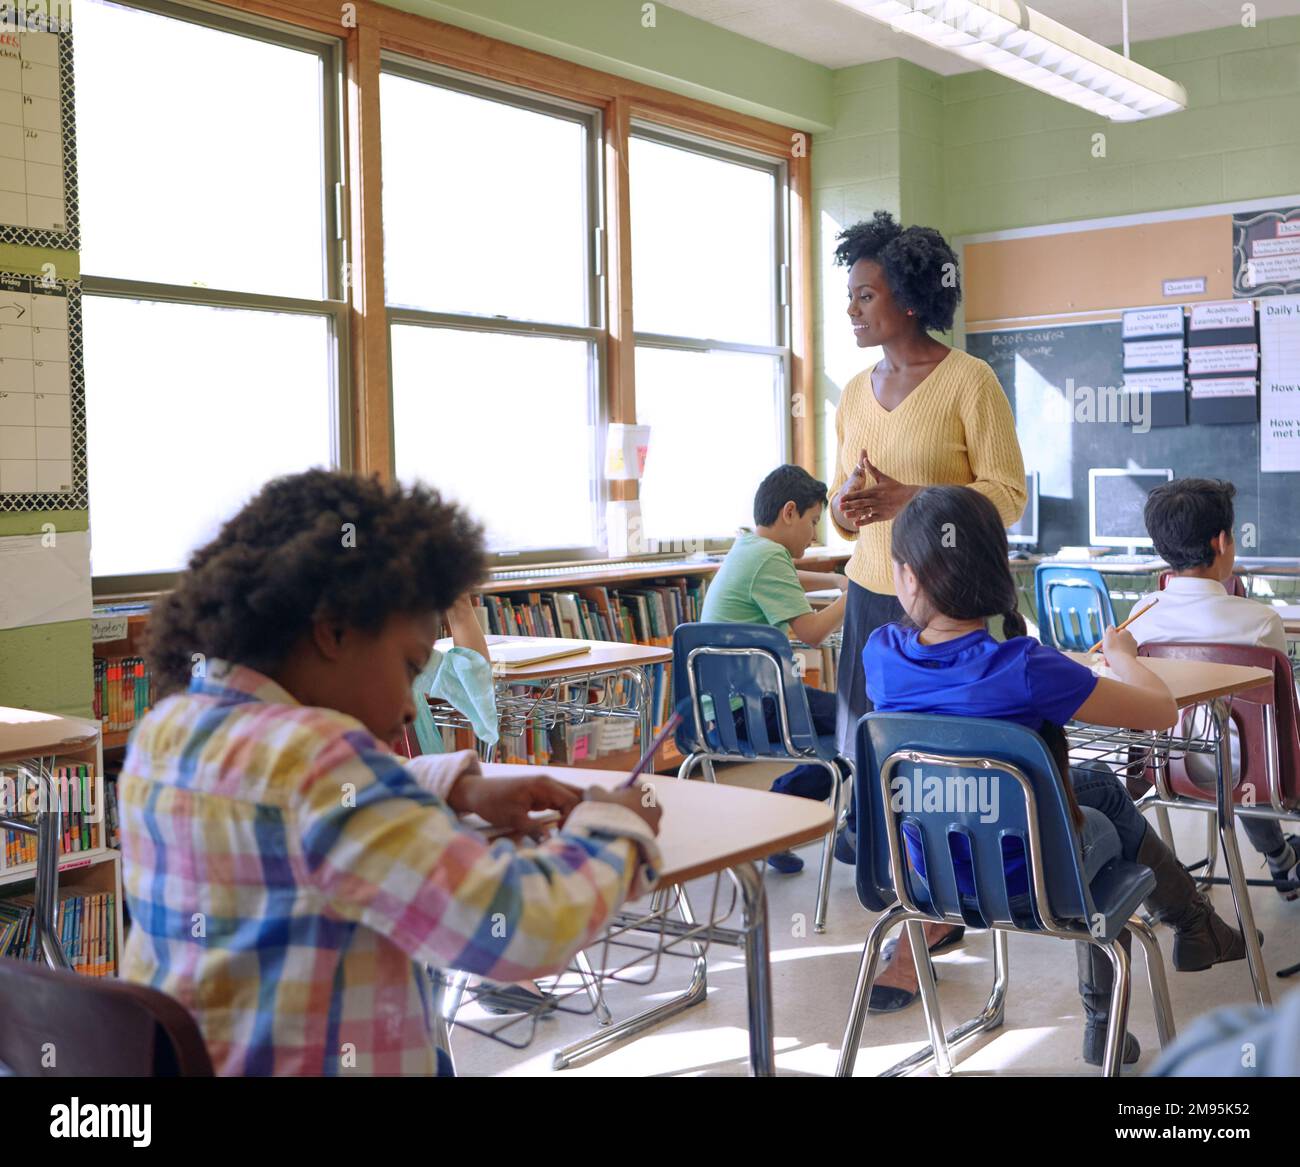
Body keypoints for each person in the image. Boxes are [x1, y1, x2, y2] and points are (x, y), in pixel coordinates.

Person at [118, 469, 661, 1076]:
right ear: (334, 631)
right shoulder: (318, 760)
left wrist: (455, 786)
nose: (409, 705)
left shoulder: (167, 730)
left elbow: (292, 810)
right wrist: (614, 825)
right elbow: (526, 925)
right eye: (409, 666)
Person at [861, 486, 1249, 1066]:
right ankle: (1135, 986)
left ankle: (1193, 930)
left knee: (1095, 787)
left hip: (927, 876)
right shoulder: (1026, 667)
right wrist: (1123, 655)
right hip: (1029, 879)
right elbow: (1161, 712)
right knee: (1109, 830)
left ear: (911, 578)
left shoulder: (880, 654)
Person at [827, 212, 1026, 860]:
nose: (851, 309)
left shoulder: (970, 381)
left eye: (865, 294)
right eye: (849, 295)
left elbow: (1008, 496)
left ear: (910, 301)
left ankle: (949, 882)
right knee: (870, 749)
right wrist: (847, 508)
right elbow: (838, 504)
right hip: (870, 593)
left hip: (947, 602)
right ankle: (888, 878)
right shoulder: (854, 394)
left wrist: (911, 498)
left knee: (945, 764)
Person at [1127, 477, 1299, 899]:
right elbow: (1276, 722)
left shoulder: (1140, 616)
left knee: (1231, 747)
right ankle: (1283, 861)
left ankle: (1281, 858)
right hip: (1259, 776)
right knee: (1246, 746)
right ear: (1222, 542)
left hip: (1169, 772)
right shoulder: (1259, 622)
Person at [689, 464, 848, 874]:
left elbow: (789, 576)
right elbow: (812, 633)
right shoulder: (770, 558)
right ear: (789, 512)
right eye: (813, 522)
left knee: (846, 732)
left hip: (719, 715)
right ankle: (795, 821)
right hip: (755, 709)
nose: (814, 535)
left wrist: (840, 584)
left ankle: (777, 819)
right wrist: (857, 595)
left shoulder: (748, 547)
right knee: (861, 726)